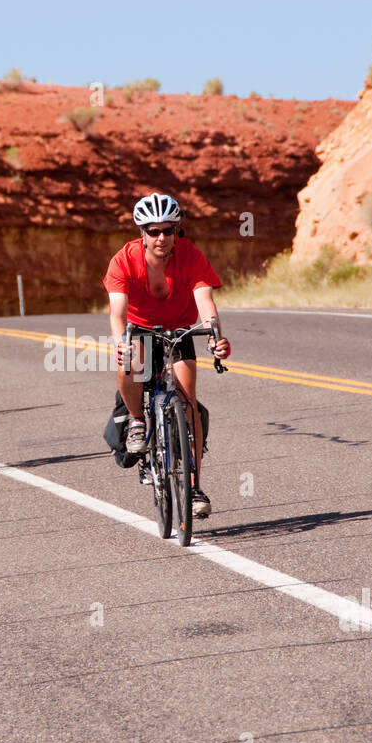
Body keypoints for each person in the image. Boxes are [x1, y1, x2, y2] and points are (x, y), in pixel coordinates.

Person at [103, 193, 231, 519]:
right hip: (141, 329)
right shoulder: (124, 259)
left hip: (179, 330)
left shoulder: (190, 256)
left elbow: (205, 301)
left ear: (177, 231)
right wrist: (122, 342)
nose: (161, 238)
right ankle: (136, 421)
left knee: (188, 407)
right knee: (131, 362)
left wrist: (215, 335)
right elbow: (117, 312)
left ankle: (194, 485)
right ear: (142, 233)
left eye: (168, 230)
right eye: (153, 231)